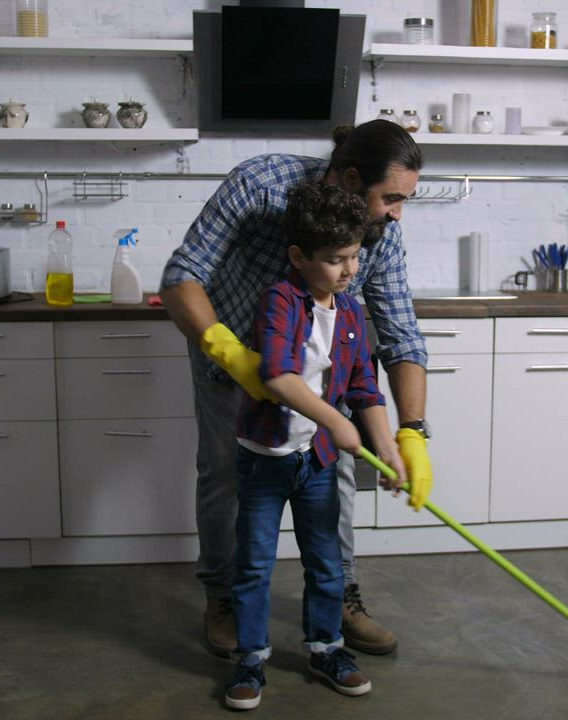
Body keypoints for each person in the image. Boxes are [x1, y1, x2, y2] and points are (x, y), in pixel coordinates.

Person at [160, 119, 434, 659]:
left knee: (337, 481)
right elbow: (181, 275)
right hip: (231, 349)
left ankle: (338, 598)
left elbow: (401, 334)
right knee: (225, 473)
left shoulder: (381, 239)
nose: (399, 213)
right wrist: (232, 355)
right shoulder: (261, 185)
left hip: (320, 375)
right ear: (352, 179)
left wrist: (412, 432)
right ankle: (224, 596)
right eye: (392, 198)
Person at [223, 182, 408, 710]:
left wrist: (388, 446)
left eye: (353, 257)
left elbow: (363, 389)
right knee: (256, 564)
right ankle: (251, 657)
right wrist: (336, 422)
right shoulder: (279, 301)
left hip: (318, 463)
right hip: (264, 459)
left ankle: (326, 648)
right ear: (299, 257)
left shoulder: (349, 312)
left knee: (327, 562)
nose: (347, 271)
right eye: (333, 260)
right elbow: (278, 376)